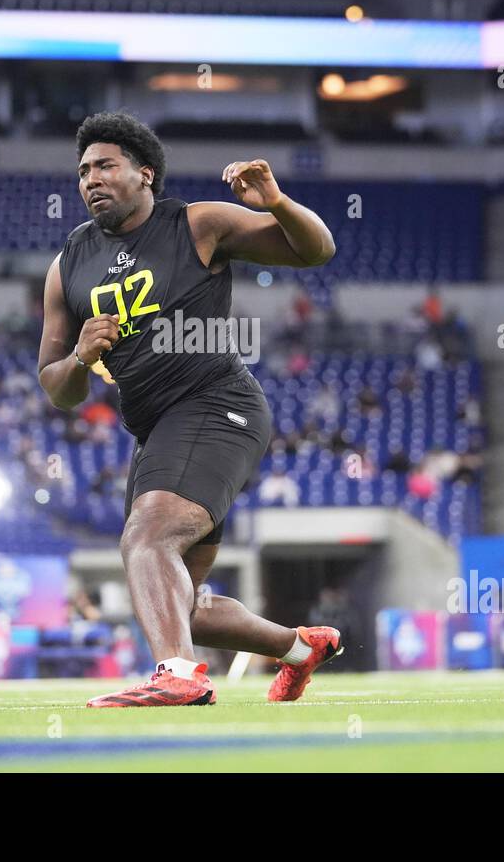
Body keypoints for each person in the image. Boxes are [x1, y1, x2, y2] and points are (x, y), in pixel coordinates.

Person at [38, 111, 340, 706]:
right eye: (82, 171)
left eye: (105, 165)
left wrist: (277, 203)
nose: (90, 179)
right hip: (157, 430)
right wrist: (79, 358)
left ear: (145, 173)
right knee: (180, 603)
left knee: (146, 540)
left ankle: (178, 675)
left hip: (216, 404)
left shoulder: (198, 224)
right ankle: (301, 648)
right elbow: (57, 386)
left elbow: (317, 250)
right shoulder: (68, 263)